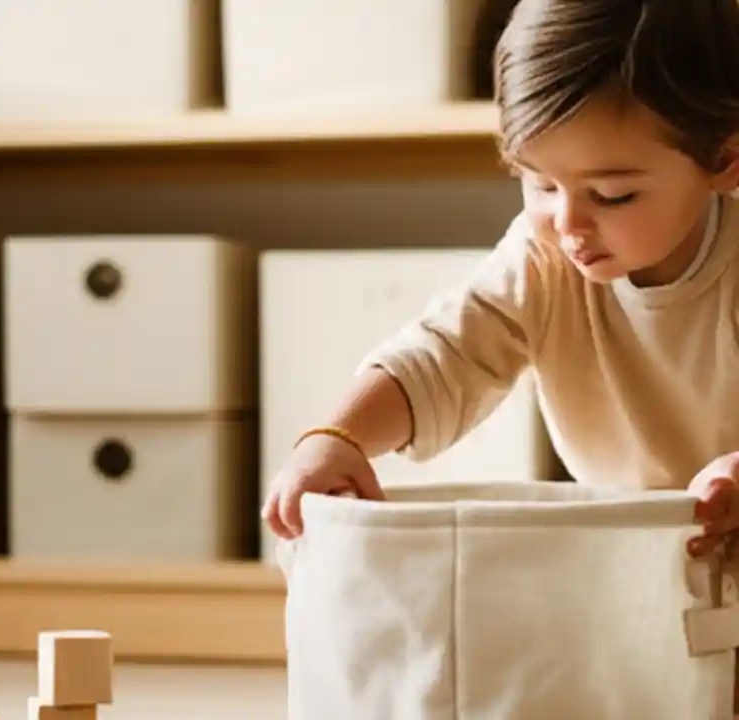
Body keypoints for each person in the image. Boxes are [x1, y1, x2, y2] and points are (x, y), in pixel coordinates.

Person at [261, 0, 739, 560]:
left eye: (613, 196)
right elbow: (446, 354)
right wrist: (336, 439)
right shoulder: (544, 258)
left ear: (726, 160)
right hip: (638, 568)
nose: (568, 223)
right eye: (539, 184)